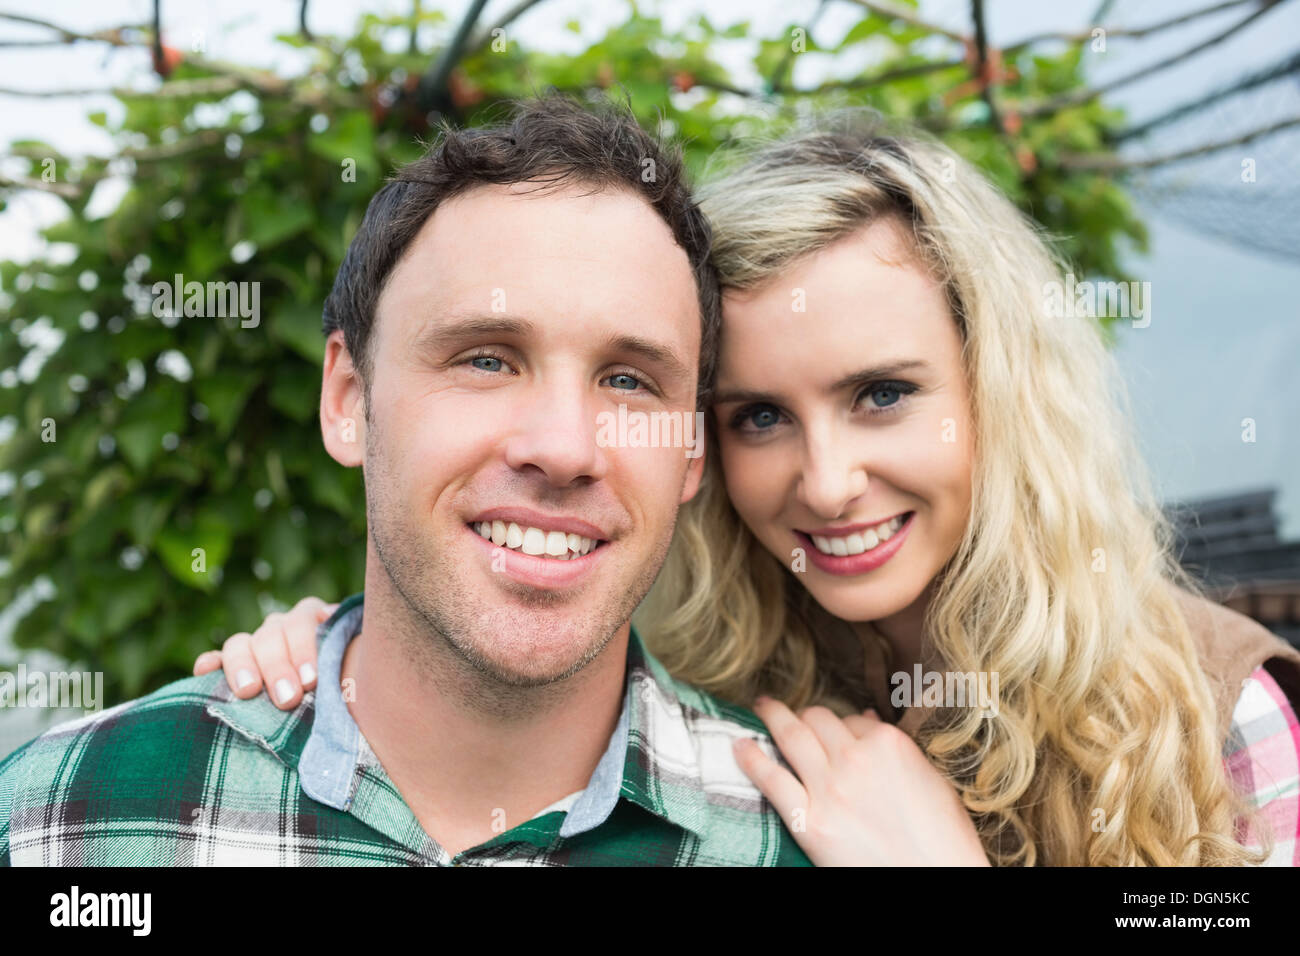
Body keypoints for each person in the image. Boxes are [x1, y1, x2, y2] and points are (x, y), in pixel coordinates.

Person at [202, 117, 1300, 866]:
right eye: (759, 416)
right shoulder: (711, 682)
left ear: (998, 388)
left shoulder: (1198, 717)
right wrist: (337, 661)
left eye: (881, 394)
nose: (824, 482)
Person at [0, 96, 816, 867]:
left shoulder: (814, 841)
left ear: (691, 453)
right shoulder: (63, 820)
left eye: (631, 380)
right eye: (487, 359)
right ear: (349, 400)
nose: (564, 449)